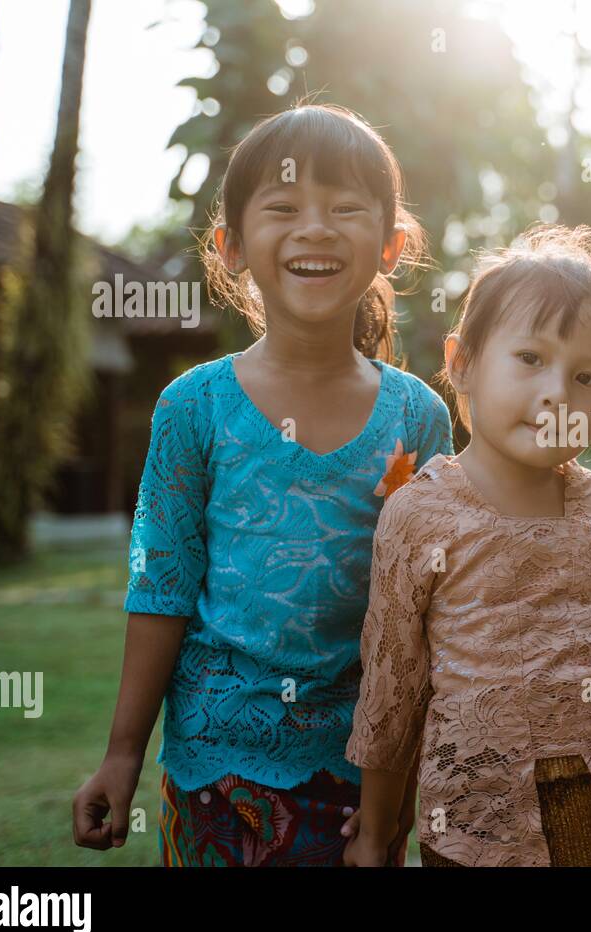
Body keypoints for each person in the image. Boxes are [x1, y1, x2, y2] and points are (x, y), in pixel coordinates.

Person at [71, 104, 453, 866]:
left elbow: (426, 618)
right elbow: (161, 586)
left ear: (390, 245)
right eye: (283, 209)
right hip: (215, 767)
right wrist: (121, 753)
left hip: (359, 776)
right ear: (233, 246)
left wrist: (400, 790)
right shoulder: (194, 407)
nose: (314, 228)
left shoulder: (416, 416)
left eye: (345, 208)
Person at [344, 224, 591, 867]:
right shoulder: (419, 513)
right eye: (530, 358)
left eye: (584, 377)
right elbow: (393, 687)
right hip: (478, 826)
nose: (557, 392)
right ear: (461, 361)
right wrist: (376, 829)